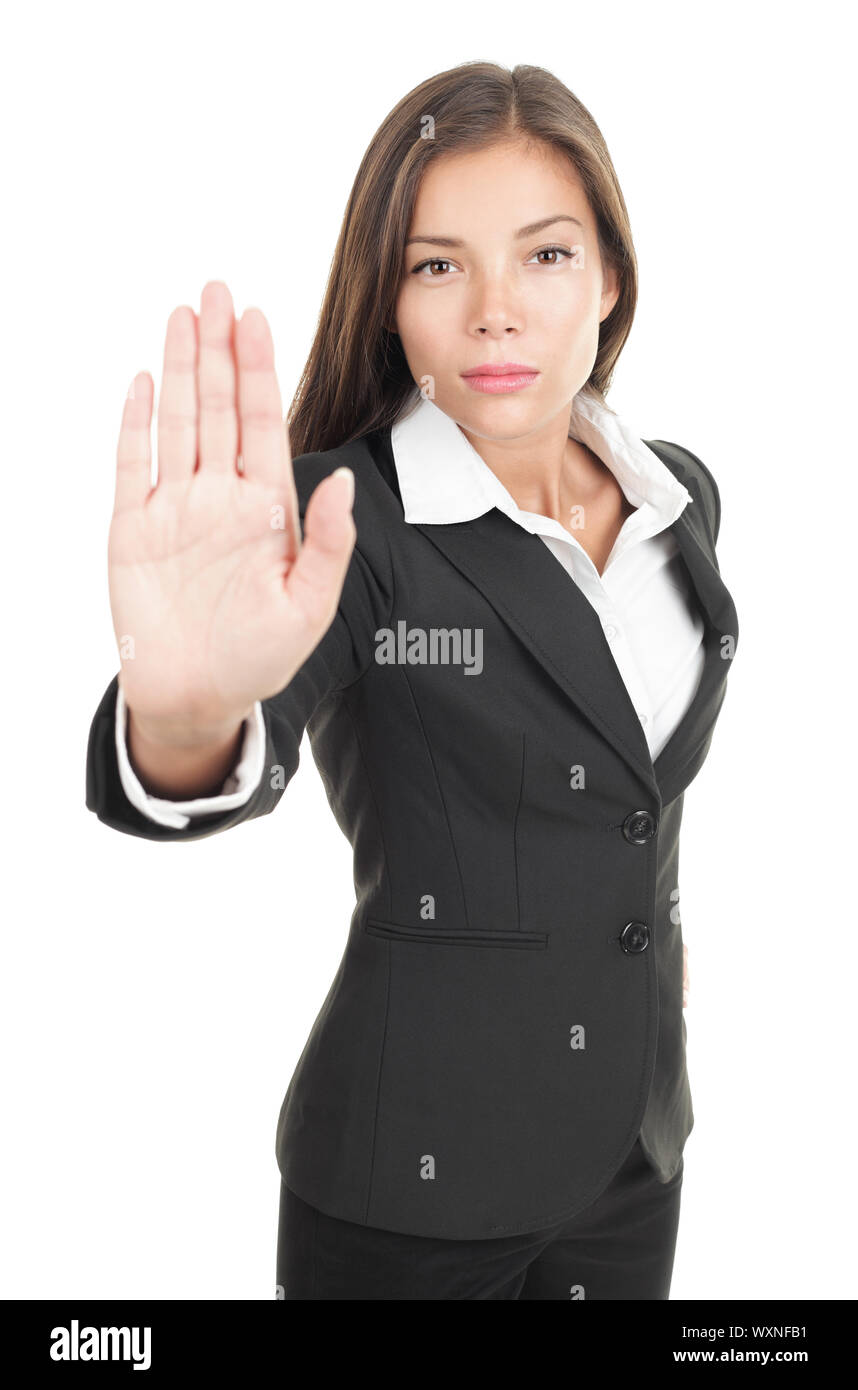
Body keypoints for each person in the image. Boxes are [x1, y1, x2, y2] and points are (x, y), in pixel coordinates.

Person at [86, 60, 739, 1299]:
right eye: (438, 265)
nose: (496, 309)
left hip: (634, 1152)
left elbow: (626, 792)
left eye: (544, 256)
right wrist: (182, 714)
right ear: (388, 300)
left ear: (610, 276)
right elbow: (240, 736)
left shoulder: (682, 496)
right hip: (411, 1193)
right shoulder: (345, 525)